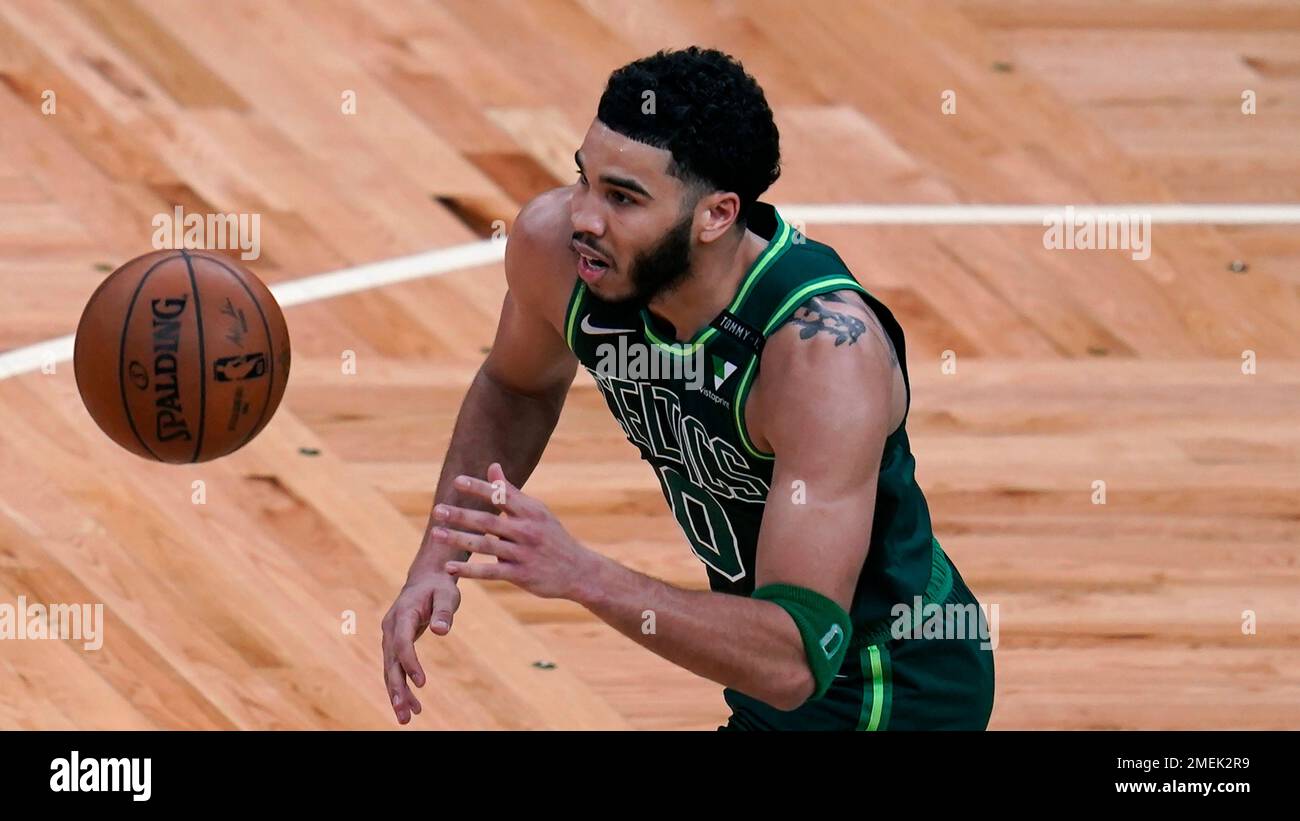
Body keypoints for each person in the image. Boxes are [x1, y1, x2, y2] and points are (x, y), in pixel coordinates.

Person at [381, 46, 994, 730]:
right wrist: (438, 558)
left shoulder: (820, 356)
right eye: (584, 179)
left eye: (623, 197)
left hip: (882, 683)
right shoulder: (559, 251)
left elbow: (798, 655)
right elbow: (516, 386)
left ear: (716, 215)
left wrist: (582, 572)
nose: (584, 215)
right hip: (762, 664)